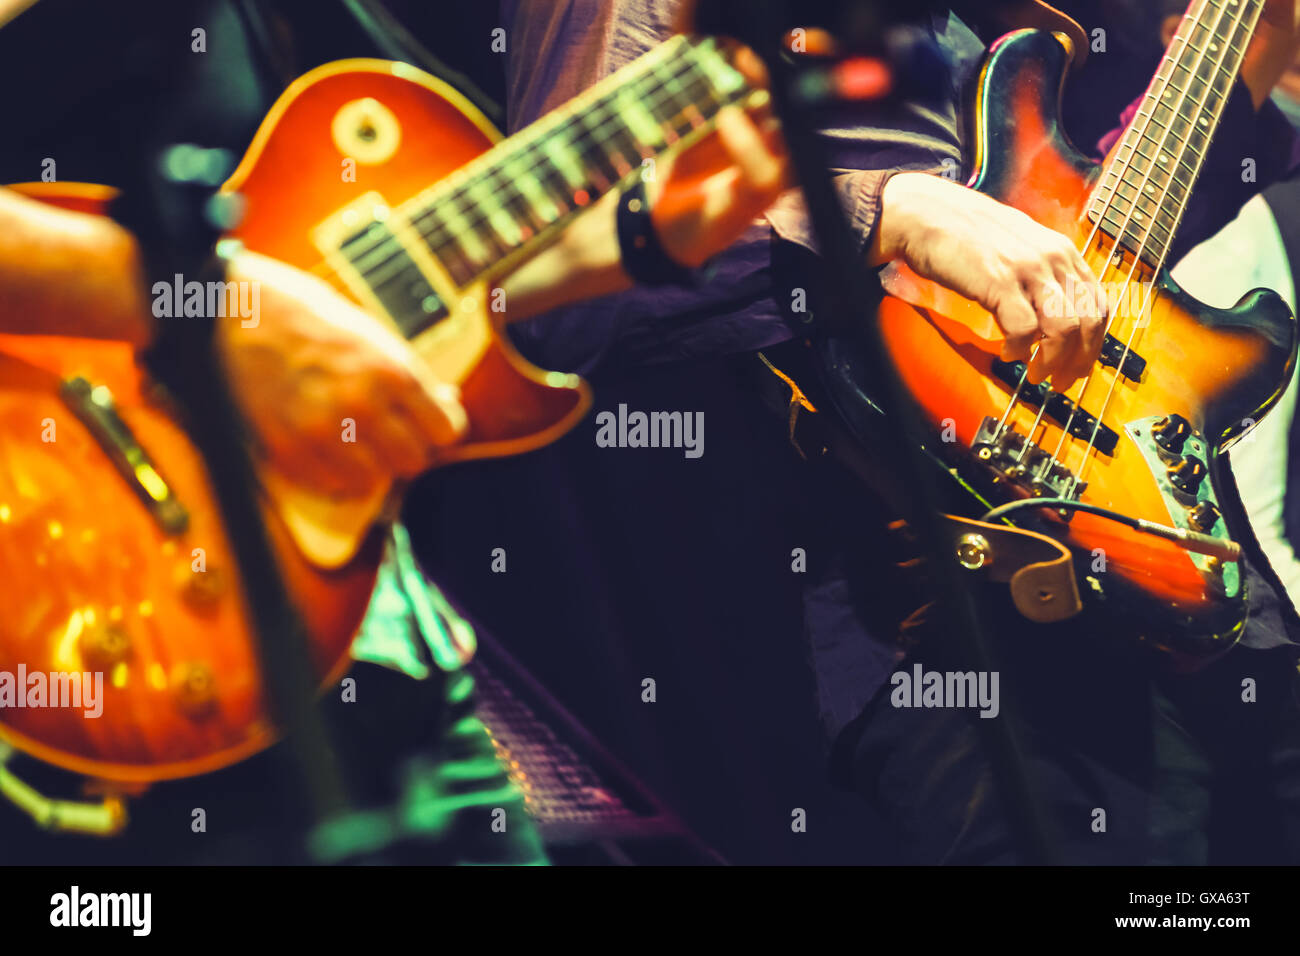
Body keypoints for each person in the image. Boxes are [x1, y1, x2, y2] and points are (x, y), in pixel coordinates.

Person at [428, 0, 1300, 863]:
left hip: (1194, 555)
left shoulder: (965, 36)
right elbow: (550, 283)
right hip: (958, 619)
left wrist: (1246, 57)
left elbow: (1101, 263)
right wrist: (891, 213)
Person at [0, 0, 787, 864]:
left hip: (375, 653)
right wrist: (220, 313)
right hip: (81, 621)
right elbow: (262, 313)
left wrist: (641, 234)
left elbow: (378, 283)